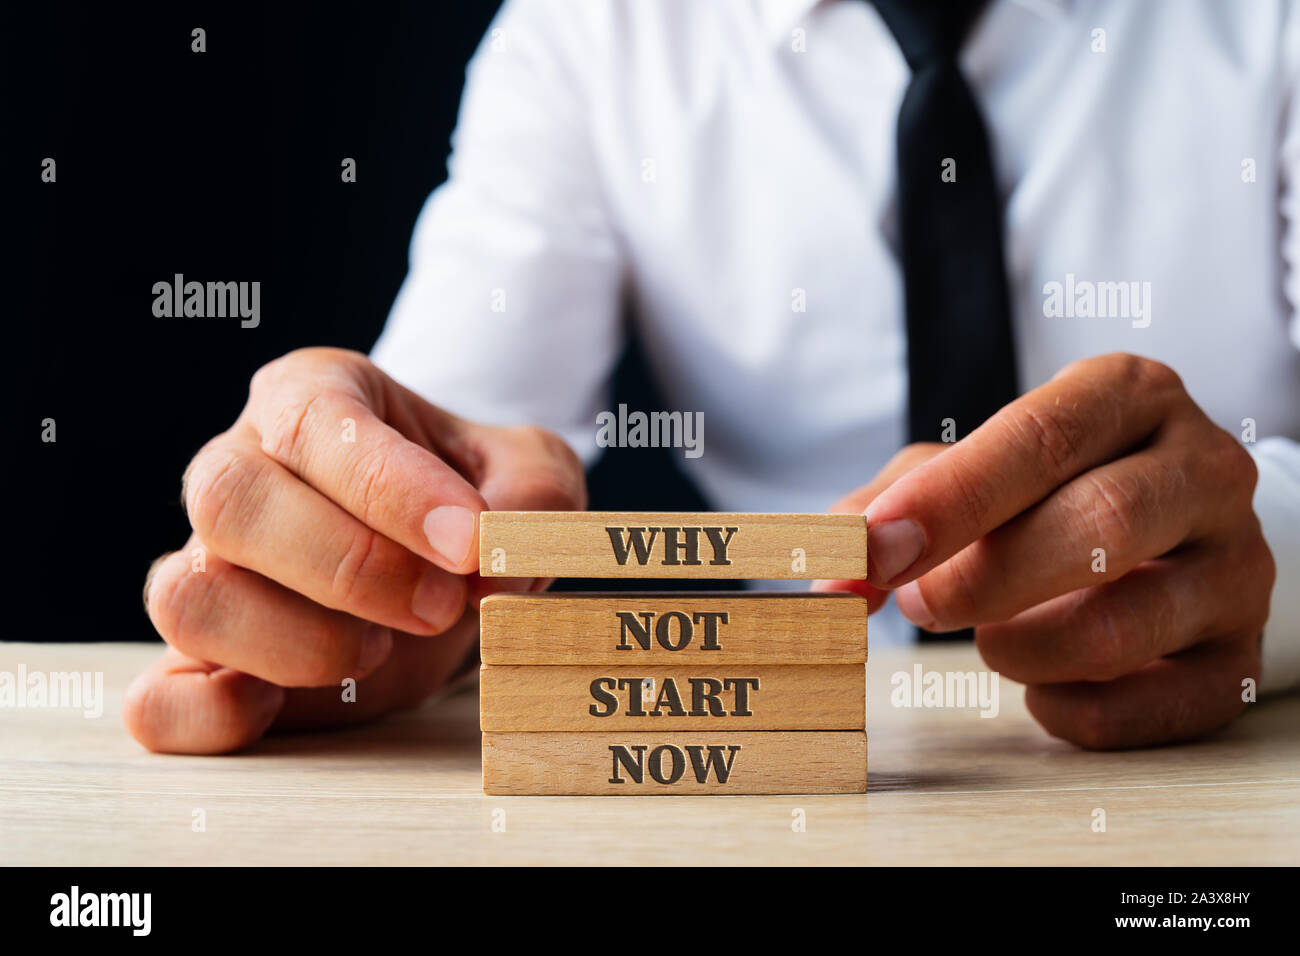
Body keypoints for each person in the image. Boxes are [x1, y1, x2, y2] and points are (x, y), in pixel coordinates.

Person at [125, 0, 1300, 753]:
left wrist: (1267, 554)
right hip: (802, 768)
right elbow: (439, 456)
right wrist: (356, 576)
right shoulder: (591, 38)